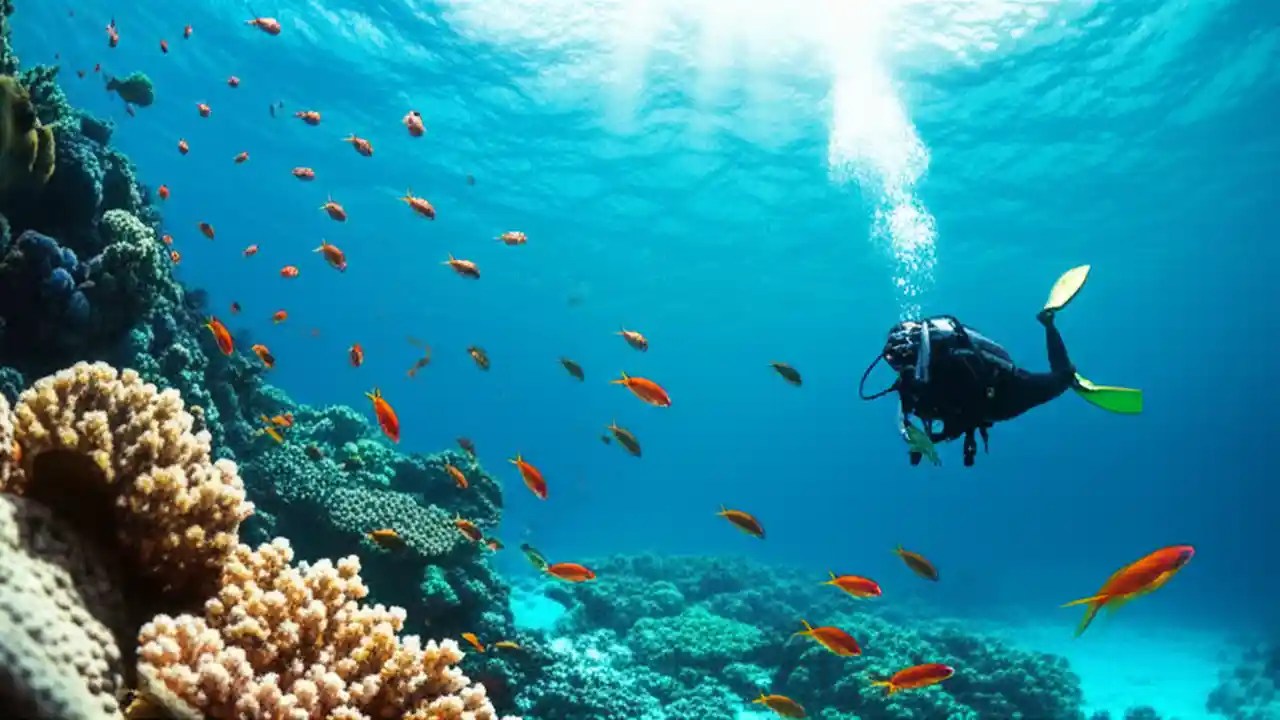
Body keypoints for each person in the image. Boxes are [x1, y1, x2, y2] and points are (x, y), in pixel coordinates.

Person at [859, 265, 1143, 467]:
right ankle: (1048, 322)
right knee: (1056, 380)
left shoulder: (912, 388)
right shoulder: (923, 375)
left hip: (1002, 397)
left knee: (1062, 378)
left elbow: (942, 419)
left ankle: (1054, 335)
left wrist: (928, 444)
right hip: (999, 390)